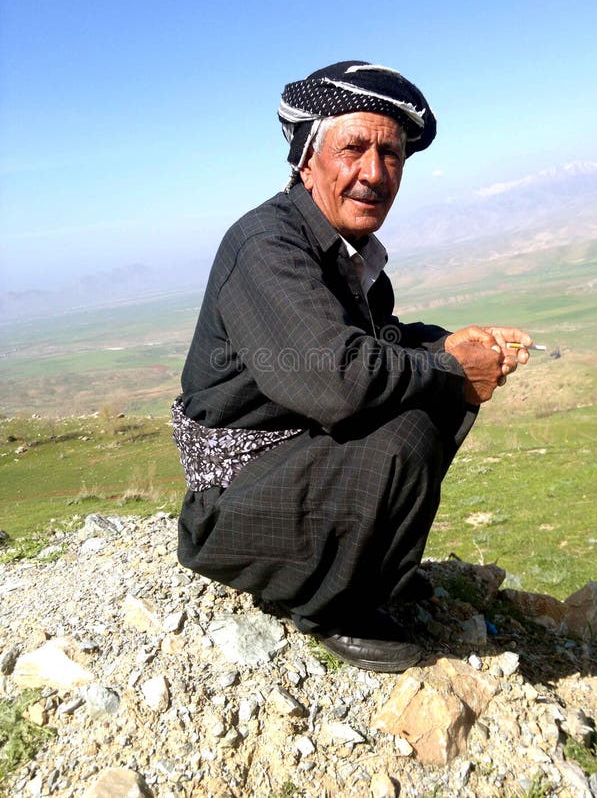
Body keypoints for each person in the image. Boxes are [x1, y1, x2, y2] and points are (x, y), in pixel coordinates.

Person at [173, 61, 532, 672]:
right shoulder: (267, 246)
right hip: (230, 502)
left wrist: (457, 342)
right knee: (408, 424)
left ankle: (366, 567)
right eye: (354, 148)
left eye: (390, 155)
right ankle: (326, 602)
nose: (374, 172)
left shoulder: (350, 256)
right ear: (307, 159)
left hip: (285, 467)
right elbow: (335, 379)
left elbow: (380, 340)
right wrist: (448, 364)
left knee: (430, 390)